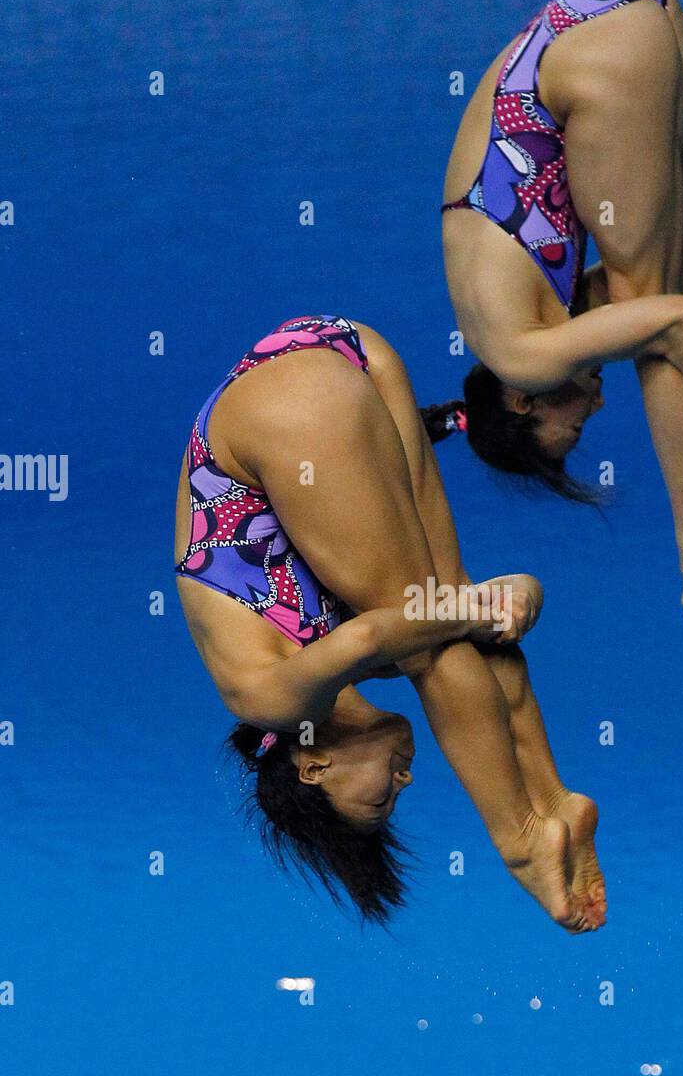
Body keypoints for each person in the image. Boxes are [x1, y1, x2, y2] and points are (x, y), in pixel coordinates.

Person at [174, 313, 605, 930]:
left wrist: (470, 612)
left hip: (283, 406)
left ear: (313, 765)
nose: (404, 778)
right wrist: (515, 596)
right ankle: (556, 798)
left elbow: (377, 632)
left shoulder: (268, 699)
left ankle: (522, 839)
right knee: (444, 613)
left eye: (382, 796)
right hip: (341, 350)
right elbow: (451, 616)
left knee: (429, 648)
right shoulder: (343, 672)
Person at [441, 0, 683, 634]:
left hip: (597, 53)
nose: (597, 405)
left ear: (522, 401)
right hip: (618, 2)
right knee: (654, 289)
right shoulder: (535, 312)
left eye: (575, 427)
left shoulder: (524, 355)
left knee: (652, 314)